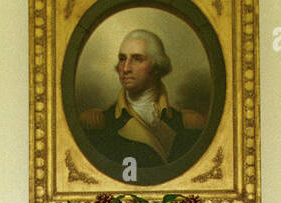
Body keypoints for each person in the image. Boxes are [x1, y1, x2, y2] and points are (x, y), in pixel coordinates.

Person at [78, 29, 205, 168]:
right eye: (122, 59)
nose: (126, 68)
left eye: (137, 59)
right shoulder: (96, 124)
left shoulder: (189, 124)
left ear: (156, 67)